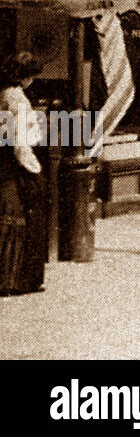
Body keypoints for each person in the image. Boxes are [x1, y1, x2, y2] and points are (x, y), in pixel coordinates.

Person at [1, 52, 48, 295]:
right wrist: (33, 169)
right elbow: (19, 141)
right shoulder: (17, 99)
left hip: (3, 160)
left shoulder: (3, 94)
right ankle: (20, 279)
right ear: (26, 76)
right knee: (22, 221)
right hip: (15, 164)